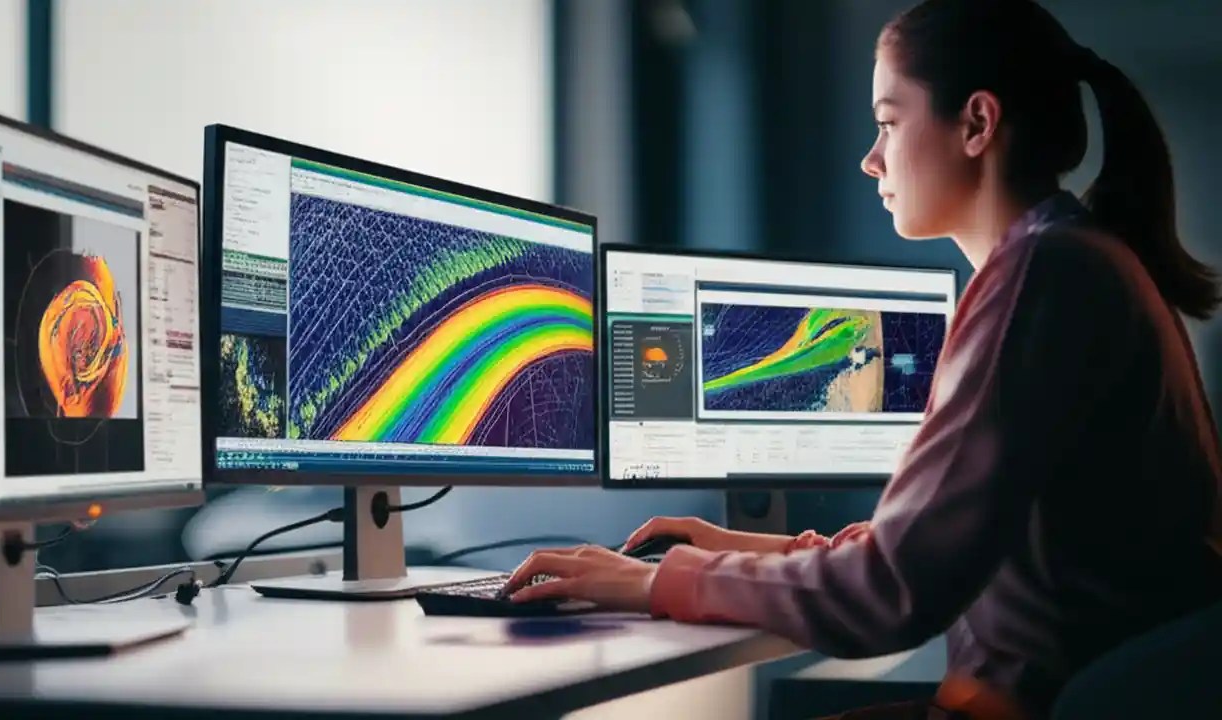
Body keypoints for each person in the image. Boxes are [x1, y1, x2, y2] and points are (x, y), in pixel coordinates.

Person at [501, 0, 1222, 718]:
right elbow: (932, 550)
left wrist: (656, 582)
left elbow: (891, 595)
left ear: (977, 124)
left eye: (887, 122)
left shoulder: (1040, 278)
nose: (870, 158)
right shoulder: (1075, 259)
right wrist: (755, 553)